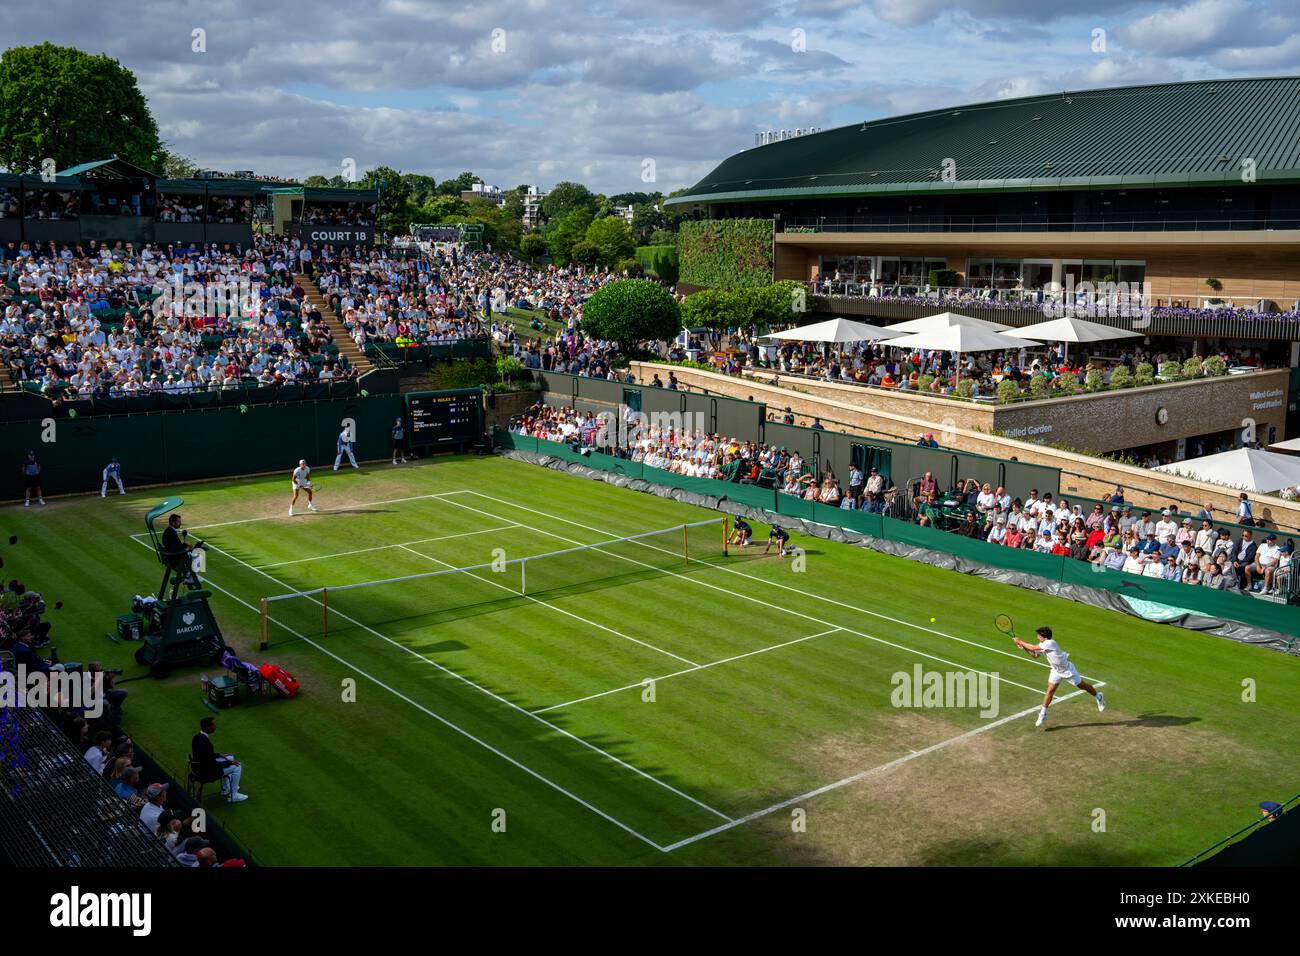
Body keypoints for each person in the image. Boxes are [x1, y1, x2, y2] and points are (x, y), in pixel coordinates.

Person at [1012, 625, 1106, 728]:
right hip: (1056, 671)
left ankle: (1099, 696)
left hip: (1067, 670)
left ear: (1044, 636)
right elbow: (1035, 655)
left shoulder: (1050, 643)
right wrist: (1024, 648)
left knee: (1082, 686)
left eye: (1038, 636)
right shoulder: (1043, 644)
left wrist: (1020, 641)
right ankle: (1043, 714)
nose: (1037, 637)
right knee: (1050, 691)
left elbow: (1034, 648)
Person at [191, 716, 248, 803]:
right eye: (213, 725)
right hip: (206, 772)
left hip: (198, 767)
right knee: (237, 766)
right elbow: (212, 764)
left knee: (230, 756)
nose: (215, 727)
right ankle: (234, 795)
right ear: (207, 727)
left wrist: (220, 755)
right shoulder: (206, 743)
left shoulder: (196, 737)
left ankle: (226, 788)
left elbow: (204, 755)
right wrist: (230, 763)